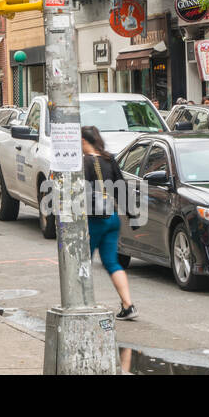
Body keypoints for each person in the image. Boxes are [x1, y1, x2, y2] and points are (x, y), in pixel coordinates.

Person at [81, 125, 136, 321]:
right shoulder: (109, 159)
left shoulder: (84, 163)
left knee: (81, 261)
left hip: (94, 219)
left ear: (84, 142)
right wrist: (133, 215)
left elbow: (80, 193)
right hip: (112, 218)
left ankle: (83, 303)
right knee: (111, 262)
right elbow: (121, 187)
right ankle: (128, 305)